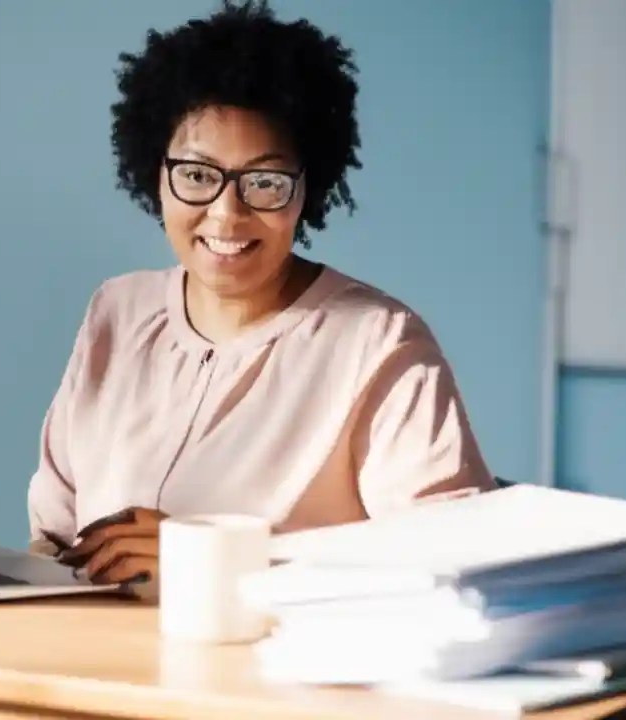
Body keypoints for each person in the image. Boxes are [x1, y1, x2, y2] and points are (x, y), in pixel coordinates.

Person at [26, 0, 496, 591]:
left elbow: (454, 559)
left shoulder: (379, 343)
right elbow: (55, 533)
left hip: (273, 671)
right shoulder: (117, 313)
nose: (226, 214)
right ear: (156, 173)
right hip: (98, 663)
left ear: (307, 190)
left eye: (265, 182)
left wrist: (223, 560)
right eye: (197, 175)